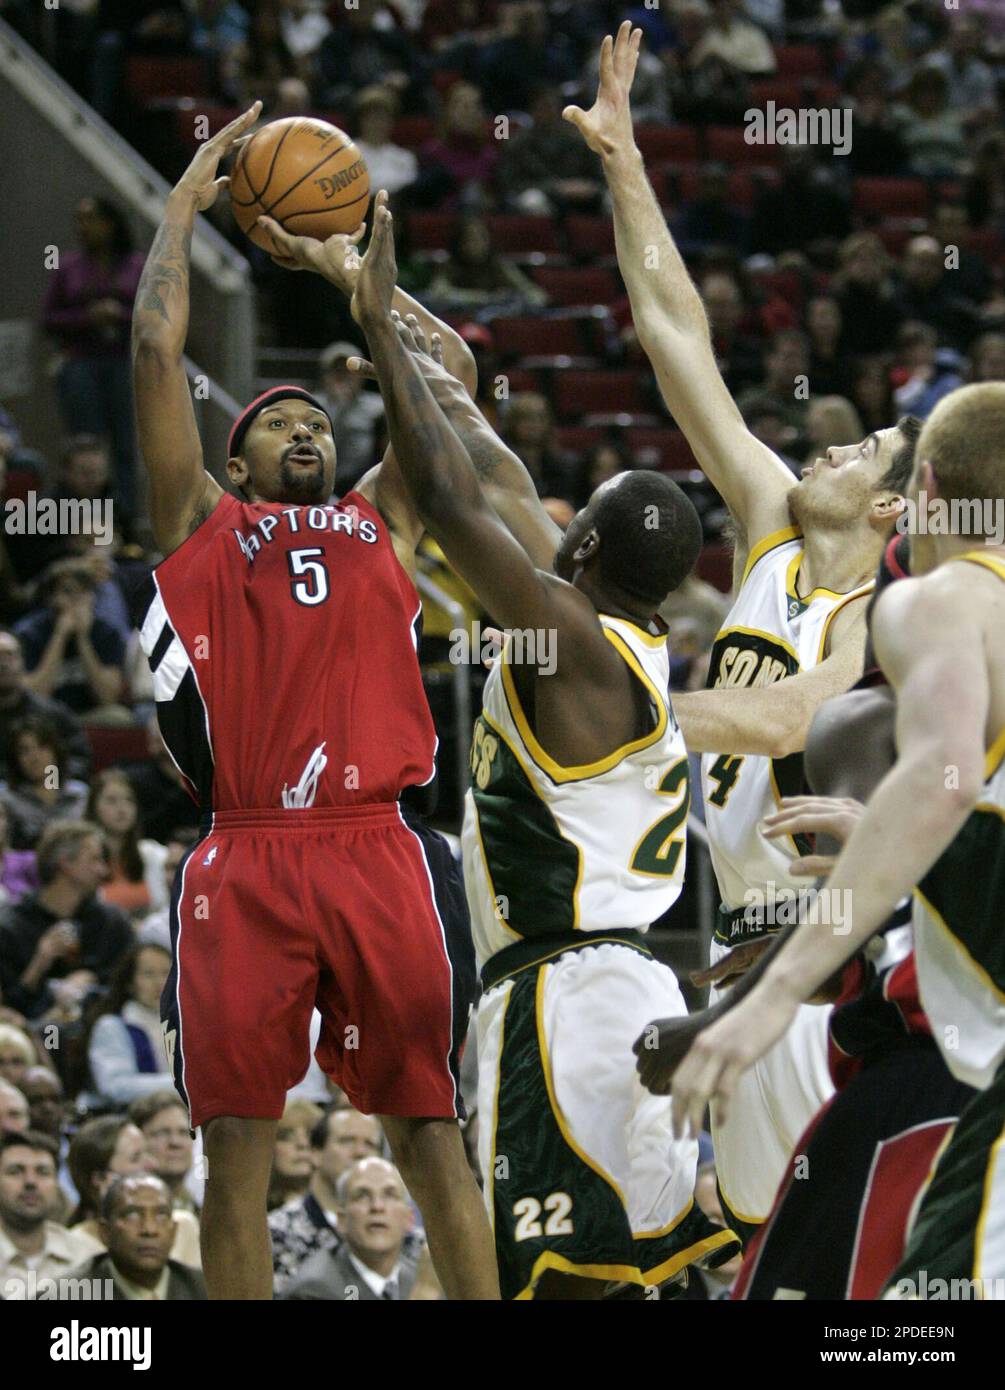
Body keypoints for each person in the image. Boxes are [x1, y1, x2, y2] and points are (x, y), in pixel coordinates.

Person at [128, 104, 556, 1300]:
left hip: (382, 844)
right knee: (237, 1153)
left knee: (429, 1129)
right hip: (247, 854)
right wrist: (181, 209)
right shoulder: (203, 526)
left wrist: (366, 274)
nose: (306, 431)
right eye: (279, 425)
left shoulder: (386, 513)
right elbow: (157, 352)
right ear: (237, 458)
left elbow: (455, 385)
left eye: (320, 420)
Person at [563, 22, 921, 1244]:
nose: (831, 440)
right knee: (772, 1235)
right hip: (744, 938)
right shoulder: (771, 530)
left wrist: (629, 708)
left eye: (864, 446)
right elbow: (677, 344)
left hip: (840, 963)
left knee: (858, 1252)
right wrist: (624, 164)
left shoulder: (890, 614)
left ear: (888, 506)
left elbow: (787, 715)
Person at [348, 203, 740, 1300]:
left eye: (570, 520)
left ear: (584, 547)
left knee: (566, 1285)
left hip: (568, 996)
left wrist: (381, 335)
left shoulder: (565, 637)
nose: (550, 517)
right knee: (611, 1275)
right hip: (602, 978)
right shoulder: (603, 626)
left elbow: (456, 501)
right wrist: (422, 339)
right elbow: (488, 459)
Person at [666, 382, 1005, 1298]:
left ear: (923, 490)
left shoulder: (932, 606)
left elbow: (944, 779)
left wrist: (774, 993)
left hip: (940, 1073)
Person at [40, 196, 145, 524]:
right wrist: (88, 317)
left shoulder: (137, 264)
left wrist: (120, 315)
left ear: (110, 222)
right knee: (85, 446)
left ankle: (125, 522)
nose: (83, 226)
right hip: (80, 362)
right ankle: (84, 522)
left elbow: (155, 314)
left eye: (91, 218)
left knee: (126, 446)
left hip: (124, 362)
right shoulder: (68, 266)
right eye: (79, 219)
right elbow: (48, 319)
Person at [0, 821, 131, 1022]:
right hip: (31, 1037)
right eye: (95, 859)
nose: (103, 871)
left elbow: (133, 988)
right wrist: (40, 963)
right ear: (65, 863)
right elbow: (8, 1008)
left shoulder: (112, 922)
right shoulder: (10, 926)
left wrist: (92, 979)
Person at [269, 1106, 384, 1292]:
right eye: (347, 1141)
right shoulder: (275, 1233)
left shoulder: (401, 1234)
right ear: (315, 1153)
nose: (360, 1152)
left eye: (370, 1144)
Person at [283, 1157, 418, 1300]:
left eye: (390, 1195)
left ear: (409, 1218)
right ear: (341, 1220)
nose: (377, 1206)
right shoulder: (313, 1289)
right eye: (362, 1196)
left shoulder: (417, 1275)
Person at [14, 559, 127, 721]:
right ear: (50, 598)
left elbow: (107, 698)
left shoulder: (106, 633)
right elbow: (35, 695)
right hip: (45, 717)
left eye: (85, 592)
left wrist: (83, 638)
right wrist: (59, 636)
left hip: (91, 713)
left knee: (118, 716)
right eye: (68, 592)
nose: (78, 600)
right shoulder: (29, 634)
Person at [65, 1174, 207, 1300]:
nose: (149, 1229)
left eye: (161, 1215)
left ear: (174, 1231)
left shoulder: (207, 1289)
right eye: (132, 1215)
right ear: (105, 1232)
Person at [0, 1130, 102, 1298]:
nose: (31, 1182)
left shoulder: (88, 1257)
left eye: (43, 1172)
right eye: (16, 1171)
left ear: (57, 1184)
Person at [82, 944, 173, 1105]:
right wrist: (183, 1085)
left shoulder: (187, 1024)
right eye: (148, 974)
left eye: (166, 973)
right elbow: (116, 1087)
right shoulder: (111, 1027)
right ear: (130, 983)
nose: (160, 983)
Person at [0, 632, 90, 786]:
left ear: (22, 662)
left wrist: (47, 784)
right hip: (4, 795)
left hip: (49, 794)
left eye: (10, 655)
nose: (3, 663)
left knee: (78, 790)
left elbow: (79, 758)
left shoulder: (52, 714)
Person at [85, 770, 168, 920]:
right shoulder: (83, 861)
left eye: (129, 800)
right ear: (94, 808)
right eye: (111, 800)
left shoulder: (152, 854)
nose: (122, 809)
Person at [313, 340, 386, 495]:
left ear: (361, 376)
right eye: (337, 371)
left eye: (348, 371)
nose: (342, 377)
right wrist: (340, 406)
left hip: (366, 481)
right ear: (325, 374)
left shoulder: (377, 406)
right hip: (321, 481)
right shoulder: (312, 405)